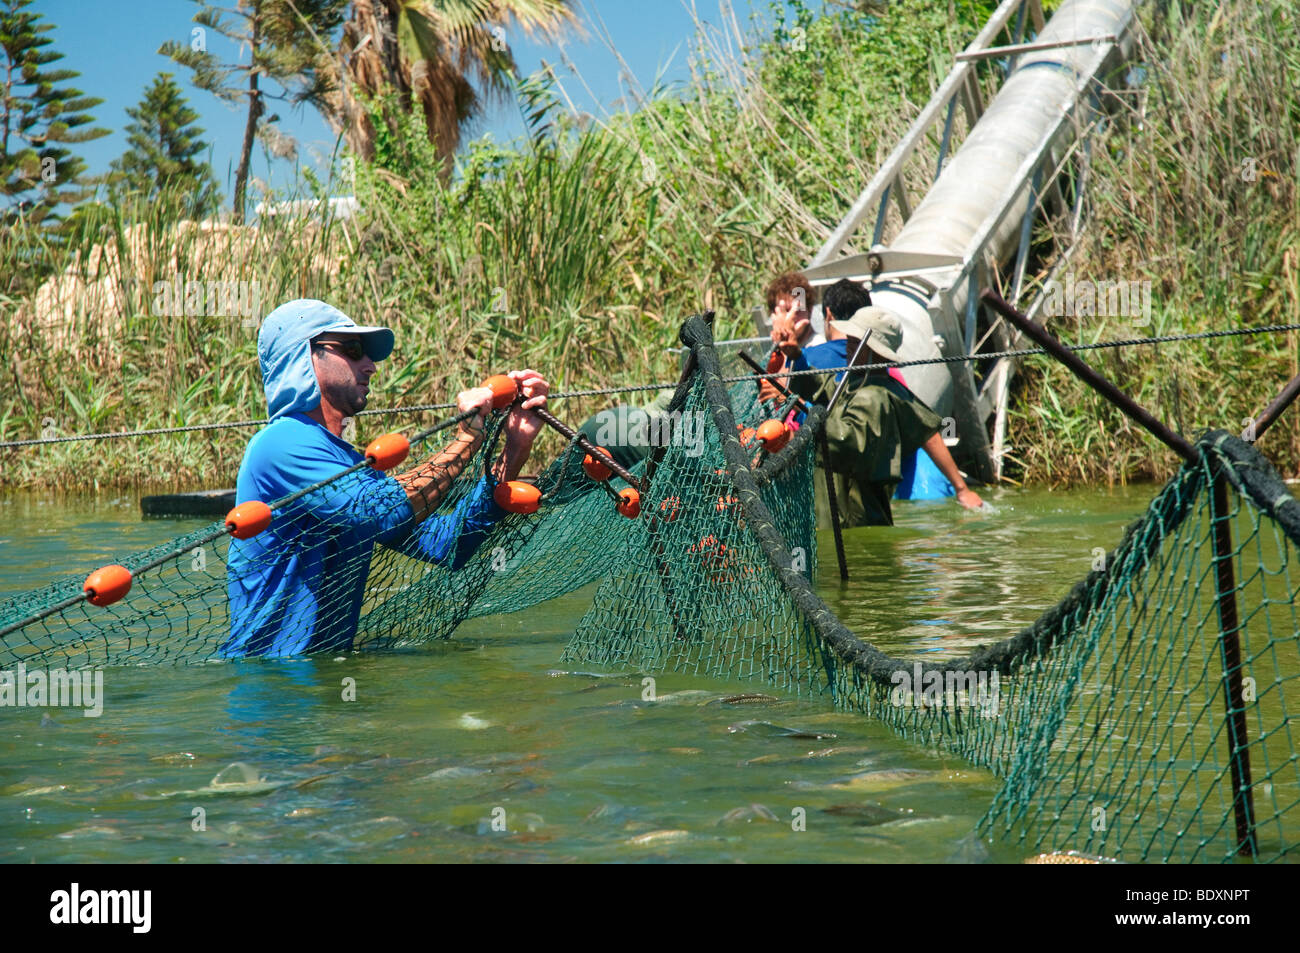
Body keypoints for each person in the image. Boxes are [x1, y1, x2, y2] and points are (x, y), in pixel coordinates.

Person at [223, 299, 548, 658]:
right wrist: (467, 441)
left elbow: (448, 544)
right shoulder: (281, 443)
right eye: (353, 350)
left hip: (322, 687)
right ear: (303, 357)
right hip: (271, 691)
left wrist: (516, 446)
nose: (371, 367)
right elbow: (383, 512)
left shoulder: (344, 462)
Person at [783, 303, 984, 526]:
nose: (848, 345)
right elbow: (826, 390)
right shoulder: (858, 384)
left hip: (851, 517)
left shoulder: (874, 397)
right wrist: (798, 358)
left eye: (855, 342)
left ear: (875, 351)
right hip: (846, 511)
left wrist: (796, 434)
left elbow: (848, 442)